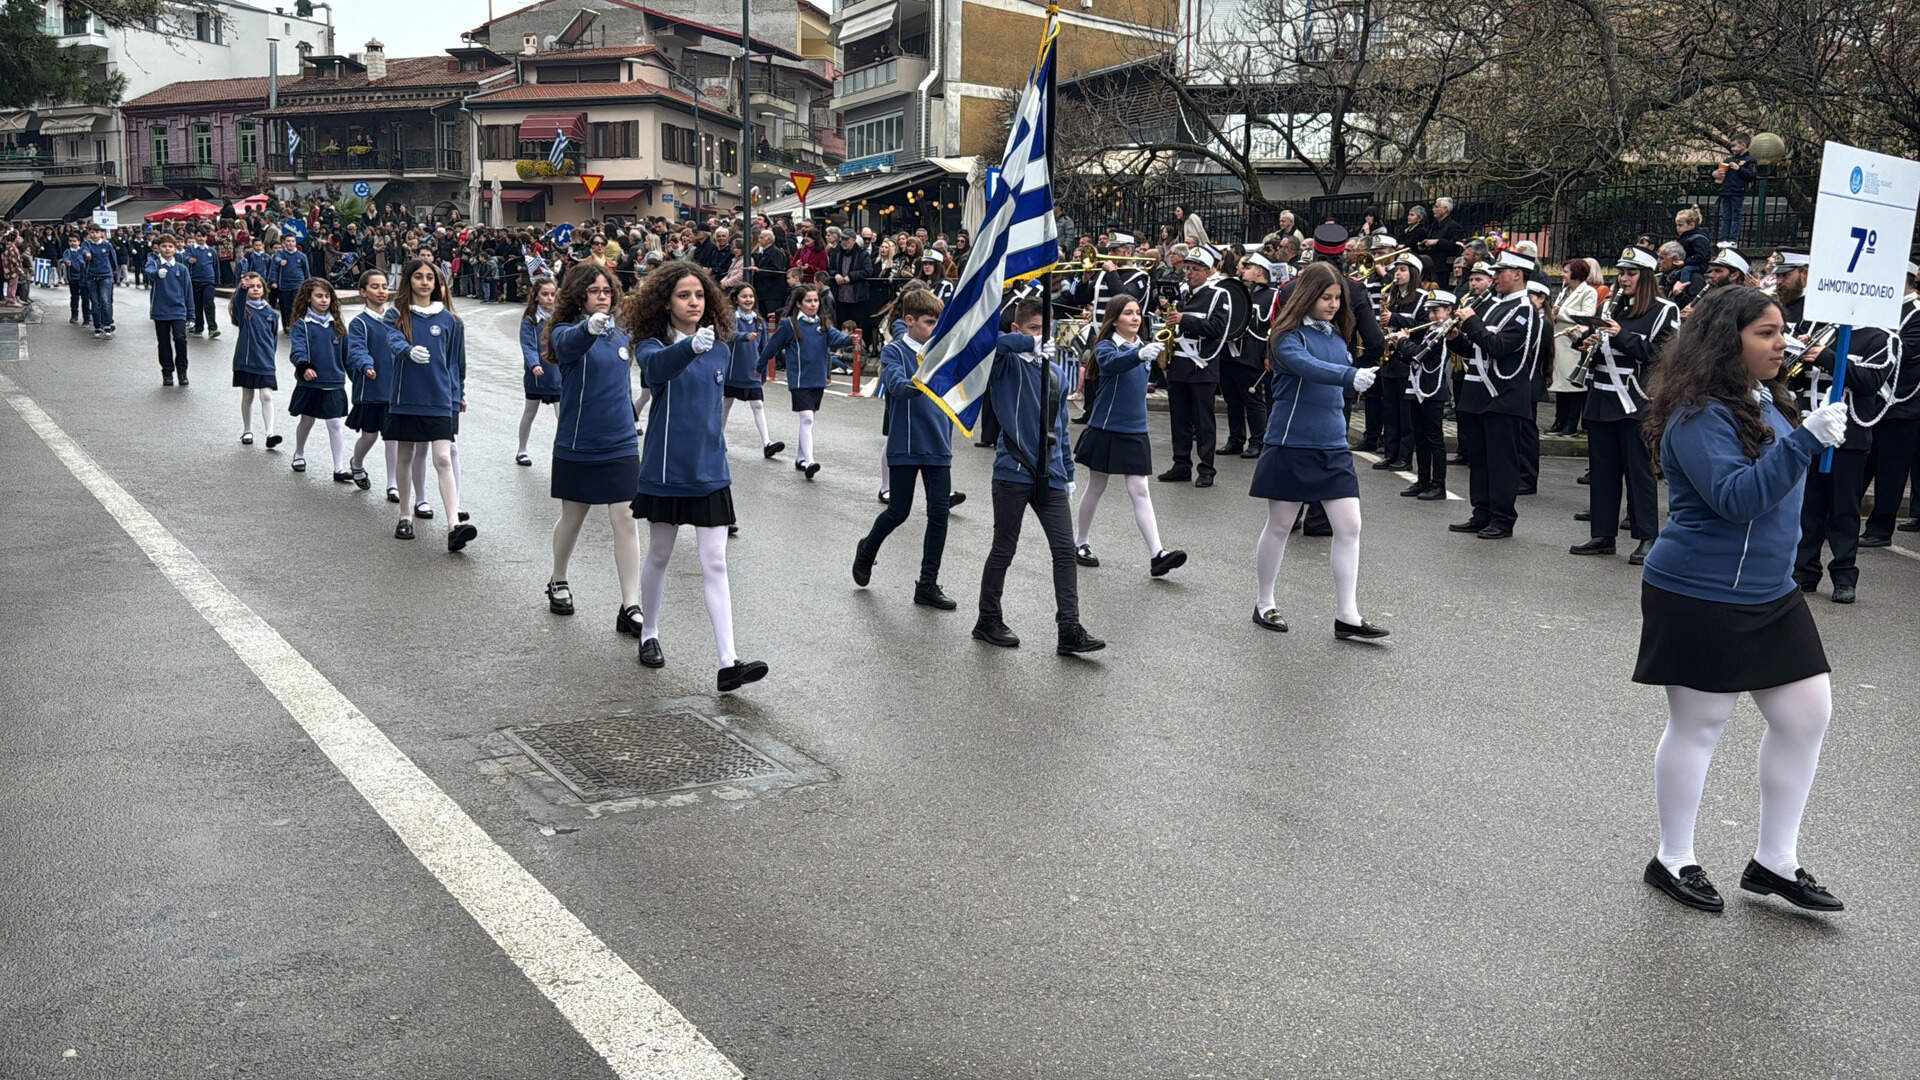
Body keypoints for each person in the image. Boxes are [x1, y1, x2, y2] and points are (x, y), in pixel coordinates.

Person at [1633, 284, 1850, 914]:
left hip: (1769, 592)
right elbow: (1737, 498)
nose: (1783, 343)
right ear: (1729, 342)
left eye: (1783, 331)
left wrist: (1805, 432)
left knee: (1807, 714)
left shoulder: (1763, 401)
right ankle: (1673, 856)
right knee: (1700, 726)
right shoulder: (1699, 415)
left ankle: (1774, 861)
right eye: (1767, 332)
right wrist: (1805, 441)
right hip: (1701, 592)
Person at [623, 260, 769, 693]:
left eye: (700, 295)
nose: (693, 302)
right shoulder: (651, 345)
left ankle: (728, 661)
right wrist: (689, 348)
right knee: (661, 555)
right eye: (684, 295)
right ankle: (649, 633)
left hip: (709, 471)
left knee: (716, 562)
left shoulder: (720, 347)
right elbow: (655, 373)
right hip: (666, 470)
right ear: (665, 302)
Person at [1248, 262, 1388, 640]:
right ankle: (1264, 602)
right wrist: (1348, 375)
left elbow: (1335, 372)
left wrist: (1360, 373)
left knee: (1350, 526)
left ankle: (1347, 614)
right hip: (1292, 442)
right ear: (1308, 296)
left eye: (1337, 298)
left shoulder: (1337, 337)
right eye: (1325, 297)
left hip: (1332, 444)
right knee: (1279, 526)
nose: (1332, 304)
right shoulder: (1285, 336)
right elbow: (1305, 366)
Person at [972, 298, 1106, 655]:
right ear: (1018, 330)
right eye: (1033, 330)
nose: (1040, 337)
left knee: (1064, 550)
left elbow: (1060, 427)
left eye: (1043, 332)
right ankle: (988, 618)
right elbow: (986, 344)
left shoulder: (1055, 373)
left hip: (1051, 475)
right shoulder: (1005, 364)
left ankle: (1069, 628)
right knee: (1005, 547)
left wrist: (1068, 470)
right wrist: (1025, 343)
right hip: (1013, 470)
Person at [1772, 252, 1896, 603]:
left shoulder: (1878, 337)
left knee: (1843, 510)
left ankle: (1844, 575)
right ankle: (1804, 570)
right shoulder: (1818, 330)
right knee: (1808, 506)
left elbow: (1871, 380)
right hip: (1810, 427)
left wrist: (1825, 357)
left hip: (1849, 434)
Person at [543, 262, 645, 638]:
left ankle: (631, 605)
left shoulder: (620, 333)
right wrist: (588, 327)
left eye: (607, 290)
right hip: (579, 441)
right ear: (578, 296)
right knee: (573, 517)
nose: (602, 296)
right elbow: (568, 345)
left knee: (626, 519)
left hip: (619, 441)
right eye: (593, 291)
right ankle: (558, 579)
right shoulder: (566, 332)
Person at [852, 286, 963, 608]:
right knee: (898, 512)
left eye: (939, 323)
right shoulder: (894, 352)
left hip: (939, 442)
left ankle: (927, 584)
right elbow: (897, 385)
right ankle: (868, 549)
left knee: (939, 514)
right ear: (910, 320)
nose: (935, 329)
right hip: (907, 443)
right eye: (930, 322)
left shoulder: (943, 352)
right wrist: (922, 380)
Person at [1568, 247, 1678, 563]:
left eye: (1630, 274)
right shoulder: (1609, 306)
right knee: (1603, 471)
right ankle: (1602, 534)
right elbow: (1595, 342)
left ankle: (1647, 537)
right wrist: (1585, 340)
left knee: (1639, 472)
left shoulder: (1663, 310)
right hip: (1601, 398)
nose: (1624, 279)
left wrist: (1619, 336)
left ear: (1645, 277)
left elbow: (1662, 355)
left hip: (1636, 402)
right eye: (1621, 273)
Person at [1071, 295, 1186, 577]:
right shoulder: (1108, 346)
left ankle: (1157, 554)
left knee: (1140, 490)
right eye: (1127, 314)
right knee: (1097, 486)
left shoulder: (1141, 346)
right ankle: (1080, 542)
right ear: (1115, 318)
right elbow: (1112, 364)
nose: (1135, 318)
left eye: (1137, 313)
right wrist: (1138, 355)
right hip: (1108, 428)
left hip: (1136, 430)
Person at [1446, 251, 1543, 539]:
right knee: (1479, 459)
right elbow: (1478, 349)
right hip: (1480, 394)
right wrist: (1456, 340)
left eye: (1502, 272)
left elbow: (1500, 347)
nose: (1496, 277)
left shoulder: (1525, 309)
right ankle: (1482, 512)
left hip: (1504, 395)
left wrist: (1472, 323)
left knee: (1502, 461)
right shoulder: (1494, 306)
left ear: (1518, 274)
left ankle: (1502, 518)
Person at [382, 258, 473, 550]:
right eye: (419, 277)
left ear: (437, 284)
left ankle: (453, 525)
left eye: (430, 278)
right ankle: (405, 515)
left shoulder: (450, 320)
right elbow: (392, 341)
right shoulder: (396, 314)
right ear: (409, 280)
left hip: (439, 398)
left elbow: (457, 362)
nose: (424, 282)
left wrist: (458, 393)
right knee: (405, 455)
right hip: (406, 398)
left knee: (443, 458)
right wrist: (407, 351)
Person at [759, 283, 852, 479]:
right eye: (808, 301)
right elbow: (771, 348)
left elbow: (837, 339)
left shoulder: (823, 323)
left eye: (816, 300)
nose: (813, 304)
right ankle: (810, 461)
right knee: (807, 418)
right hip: (800, 380)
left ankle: (800, 458)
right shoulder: (789, 325)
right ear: (799, 304)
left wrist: (852, 339)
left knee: (808, 419)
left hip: (818, 379)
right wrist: (759, 367)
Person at [1159, 245, 1230, 487]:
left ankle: (1206, 469)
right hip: (1178, 364)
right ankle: (1181, 464)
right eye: (1188, 268)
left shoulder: (1219, 295)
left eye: (1195, 269)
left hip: (1202, 366)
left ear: (1208, 271)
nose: (1189, 273)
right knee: (1179, 419)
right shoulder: (1182, 293)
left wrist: (1183, 319)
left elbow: (1217, 330)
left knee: (1203, 421)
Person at [1860, 262, 1920, 547]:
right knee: (1862, 466)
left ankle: (1880, 530)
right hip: (1876, 401)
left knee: (1891, 472)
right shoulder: (1883, 311)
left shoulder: (1916, 313)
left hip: (1902, 405)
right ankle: (1841, 518)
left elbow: (1903, 351)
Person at [286, 278, 352, 484]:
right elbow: (297, 349)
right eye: (319, 296)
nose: (324, 300)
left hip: (334, 382)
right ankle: (299, 453)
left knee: (335, 424)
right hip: (310, 382)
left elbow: (347, 355)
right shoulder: (302, 325)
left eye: (327, 296)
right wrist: (304, 366)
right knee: (307, 420)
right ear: (308, 298)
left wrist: (357, 377)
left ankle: (339, 468)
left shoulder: (338, 325)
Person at [345, 268, 400, 498]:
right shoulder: (360, 323)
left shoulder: (396, 320)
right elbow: (356, 349)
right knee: (369, 436)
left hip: (394, 390)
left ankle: (393, 484)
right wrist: (366, 365)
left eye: (384, 286)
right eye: (375, 287)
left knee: (393, 438)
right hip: (370, 389)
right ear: (363, 291)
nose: (381, 291)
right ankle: (356, 463)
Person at [1396, 290, 1455, 499]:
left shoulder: (1446, 331)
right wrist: (1396, 347)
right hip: (1416, 388)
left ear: (1448, 311)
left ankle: (1438, 484)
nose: (1431, 316)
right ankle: (1422, 480)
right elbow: (1412, 359)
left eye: (1436, 311)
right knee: (1419, 438)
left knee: (1434, 439)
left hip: (1433, 390)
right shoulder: (1431, 330)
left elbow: (1421, 353)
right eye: (1429, 312)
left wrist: (1403, 341)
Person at [1220, 253, 1277, 459]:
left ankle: (1258, 440)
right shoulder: (1240, 292)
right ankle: (1235, 439)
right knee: (1231, 398)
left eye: (1247, 267)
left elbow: (1271, 327)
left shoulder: (1271, 295)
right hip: (1229, 352)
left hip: (1252, 353)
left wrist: (1268, 354)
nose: (1242, 270)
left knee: (1252, 399)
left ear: (1259, 271)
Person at [722, 283, 783, 461]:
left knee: (757, 404)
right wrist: (744, 337)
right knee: (726, 404)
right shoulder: (731, 318)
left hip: (752, 371)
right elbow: (729, 336)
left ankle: (767, 443)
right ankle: (717, 438)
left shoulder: (759, 322)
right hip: (733, 372)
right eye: (744, 296)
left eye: (751, 296)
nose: (748, 300)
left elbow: (764, 348)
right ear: (736, 299)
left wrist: (762, 371)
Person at [229, 272, 280, 448]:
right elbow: (237, 303)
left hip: (265, 362)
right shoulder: (244, 311)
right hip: (246, 361)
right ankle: (247, 430)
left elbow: (273, 339)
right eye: (252, 286)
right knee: (248, 395)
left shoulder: (272, 314)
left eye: (259, 286)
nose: (256, 289)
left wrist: (271, 358)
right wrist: (242, 288)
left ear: (264, 289)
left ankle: (270, 433)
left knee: (266, 395)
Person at [1547, 259, 1598, 434]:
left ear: (1576, 273)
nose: (1563, 274)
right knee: (1560, 385)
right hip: (1559, 342)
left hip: (1574, 342)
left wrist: (1561, 313)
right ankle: (1559, 421)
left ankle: (1570, 424)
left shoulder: (1588, 292)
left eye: (1566, 271)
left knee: (1573, 386)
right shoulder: (1564, 291)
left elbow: (1587, 315)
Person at [517, 277, 561, 467]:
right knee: (530, 412)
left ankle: (562, 452)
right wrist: (534, 364)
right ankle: (522, 449)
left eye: (553, 294)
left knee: (563, 415)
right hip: (537, 374)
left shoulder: (560, 319)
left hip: (558, 374)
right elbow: (527, 345)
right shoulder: (531, 321)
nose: (550, 298)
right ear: (536, 296)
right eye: (545, 294)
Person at [143, 233, 193, 387]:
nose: (167, 249)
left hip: (178, 310)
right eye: (164, 246)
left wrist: (191, 315)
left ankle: (182, 371)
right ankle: (167, 372)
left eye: (170, 246)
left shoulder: (182, 268)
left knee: (180, 339)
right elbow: (149, 272)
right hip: (161, 310)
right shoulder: (155, 263)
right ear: (159, 248)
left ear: (175, 248)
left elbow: (188, 292)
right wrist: (157, 274)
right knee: (163, 342)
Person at [1714, 137, 1759, 243]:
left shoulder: (1750, 160)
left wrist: (1739, 169)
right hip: (1726, 190)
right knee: (1726, 216)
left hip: (1738, 191)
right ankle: (1724, 238)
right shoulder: (1728, 160)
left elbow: (1752, 175)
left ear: (1743, 145)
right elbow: (1717, 174)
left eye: (1734, 145)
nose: (1732, 148)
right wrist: (1715, 174)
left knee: (1735, 216)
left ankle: (1732, 239)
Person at [183, 228, 221, 339]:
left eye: (203, 236)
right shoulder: (191, 249)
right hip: (195, 281)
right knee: (197, 305)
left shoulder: (211, 251)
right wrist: (189, 259)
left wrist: (217, 281)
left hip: (209, 281)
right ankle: (199, 327)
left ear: (206, 237)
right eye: (199, 236)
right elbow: (186, 257)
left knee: (209, 303)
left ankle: (212, 328)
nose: (201, 238)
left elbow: (216, 266)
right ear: (195, 236)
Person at [80, 222, 116, 337]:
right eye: (92, 232)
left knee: (105, 300)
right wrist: (87, 254)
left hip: (105, 276)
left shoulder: (107, 245)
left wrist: (114, 271)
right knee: (95, 302)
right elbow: (84, 251)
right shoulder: (87, 244)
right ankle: (97, 325)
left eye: (97, 232)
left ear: (101, 233)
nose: (94, 235)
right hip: (92, 276)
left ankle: (107, 323)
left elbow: (113, 259)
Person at [271, 235, 310, 332]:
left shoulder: (302, 256)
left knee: (297, 305)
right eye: (288, 241)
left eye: (293, 241)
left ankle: (297, 324)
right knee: (285, 306)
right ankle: (287, 324)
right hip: (284, 285)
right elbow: (275, 264)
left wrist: (309, 284)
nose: (290, 243)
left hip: (298, 284)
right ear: (284, 243)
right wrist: (274, 281)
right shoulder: (280, 254)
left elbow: (306, 272)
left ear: (295, 243)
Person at [61, 234, 89, 325]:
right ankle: (74, 315)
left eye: (74, 241)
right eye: (70, 241)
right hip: (73, 278)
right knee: (74, 297)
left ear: (79, 242)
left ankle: (87, 317)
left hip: (83, 278)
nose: (72, 243)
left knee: (85, 298)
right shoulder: (67, 252)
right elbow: (66, 259)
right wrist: (67, 262)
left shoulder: (83, 251)